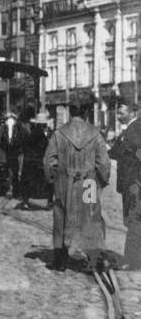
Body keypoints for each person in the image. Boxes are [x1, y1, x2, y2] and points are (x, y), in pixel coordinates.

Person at [45, 91, 111, 272]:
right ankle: (94, 260)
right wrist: (101, 182)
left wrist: (53, 180)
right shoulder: (96, 134)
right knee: (90, 216)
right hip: (88, 184)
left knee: (61, 217)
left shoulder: (59, 134)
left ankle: (60, 261)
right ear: (88, 112)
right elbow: (104, 164)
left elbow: (49, 161)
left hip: (64, 183)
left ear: (70, 111)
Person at [110, 102, 141, 268]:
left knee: (133, 221)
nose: (118, 116)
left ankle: (132, 261)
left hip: (133, 184)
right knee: (132, 221)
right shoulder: (129, 129)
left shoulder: (135, 129)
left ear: (131, 113)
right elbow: (116, 152)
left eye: (121, 113)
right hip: (130, 183)